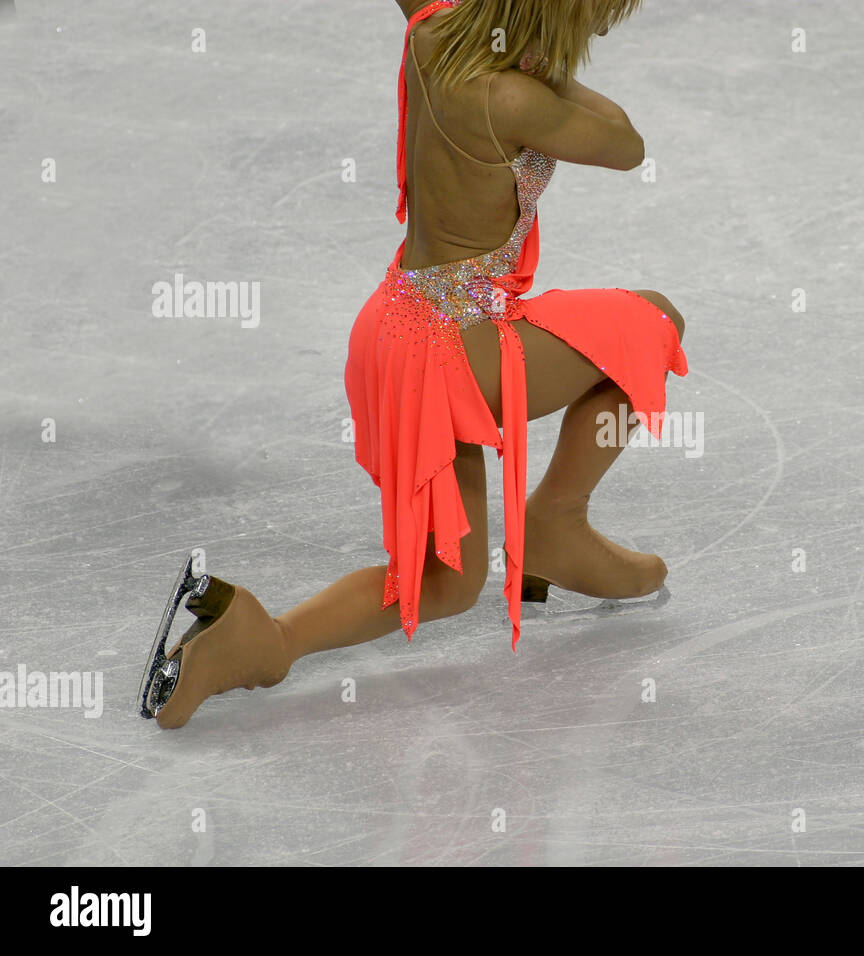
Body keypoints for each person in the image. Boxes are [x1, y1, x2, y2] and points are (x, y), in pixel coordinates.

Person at [144, 0, 689, 729]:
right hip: (454, 349)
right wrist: (548, 65)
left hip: (393, 330)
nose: (600, 32)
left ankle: (268, 640)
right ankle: (557, 521)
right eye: (596, 17)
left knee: (448, 585)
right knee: (650, 323)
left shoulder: (434, 32)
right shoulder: (515, 97)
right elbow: (628, 143)